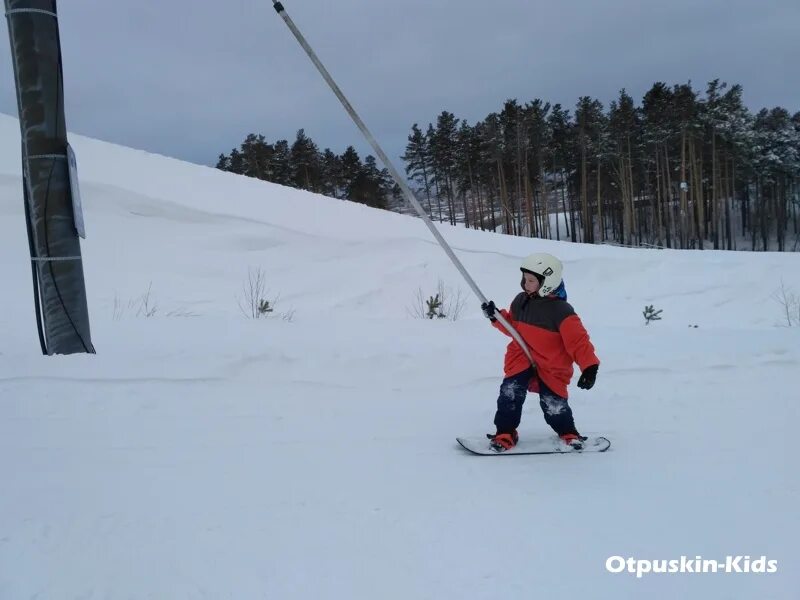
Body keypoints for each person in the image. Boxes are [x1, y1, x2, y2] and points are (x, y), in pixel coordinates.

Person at [481, 252, 599, 451]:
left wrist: (589, 367)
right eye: (524, 279)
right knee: (510, 393)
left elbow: (579, 342)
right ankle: (505, 432)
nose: (525, 284)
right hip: (522, 357)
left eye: (531, 280)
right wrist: (496, 317)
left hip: (551, 364)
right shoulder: (521, 301)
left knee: (553, 403)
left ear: (547, 282)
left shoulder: (562, 311)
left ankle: (568, 433)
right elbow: (513, 328)